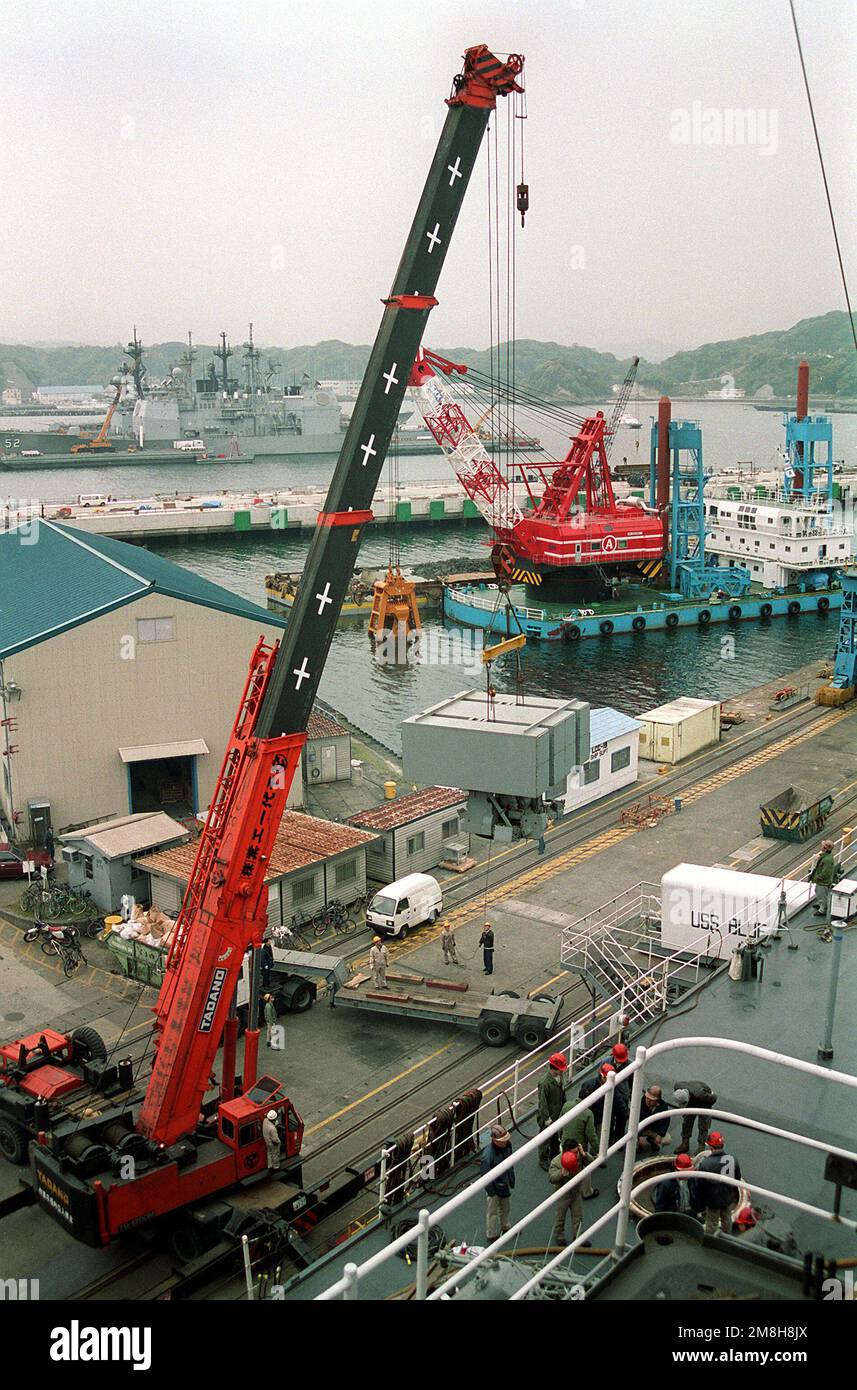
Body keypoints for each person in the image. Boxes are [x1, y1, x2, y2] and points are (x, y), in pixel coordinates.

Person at [690, 1131, 741, 1235]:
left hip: (712, 1200)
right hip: (727, 1197)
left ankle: (710, 1242)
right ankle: (728, 1238)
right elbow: (737, 1179)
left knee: (711, 1223)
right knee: (727, 1219)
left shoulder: (705, 1164)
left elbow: (700, 1185)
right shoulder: (732, 1159)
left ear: (710, 1146)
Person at [559, 1088, 601, 1200]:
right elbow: (591, 1135)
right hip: (578, 1147)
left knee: (565, 1164)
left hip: (565, 1143)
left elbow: (560, 1123)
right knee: (585, 1169)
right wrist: (598, 1150)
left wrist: (560, 1137)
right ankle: (587, 1192)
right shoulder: (588, 1113)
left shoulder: (566, 1105)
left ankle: (563, 1186)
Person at [481, 1124, 515, 1240]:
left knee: (506, 1207)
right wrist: (491, 1192)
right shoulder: (488, 1155)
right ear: (495, 1141)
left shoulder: (507, 1147)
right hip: (494, 1187)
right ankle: (491, 1234)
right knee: (492, 1212)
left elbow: (510, 1165)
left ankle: (505, 1226)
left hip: (504, 1184)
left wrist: (511, 1179)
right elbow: (485, 1176)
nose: (505, 1142)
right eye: (503, 1140)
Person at [548, 1142, 585, 1248]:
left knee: (578, 1216)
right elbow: (551, 1178)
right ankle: (559, 1237)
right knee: (560, 1217)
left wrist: (584, 1155)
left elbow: (592, 1163)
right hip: (563, 1194)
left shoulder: (579, 1155)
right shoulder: (556, 1161)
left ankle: (579, 1237)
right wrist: (561, 1173)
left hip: (576, 1191)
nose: (576, 1154)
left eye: (577, 1151)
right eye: (574, 1152)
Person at [537, 1053, 568, 1170]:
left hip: (558, 1113)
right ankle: (543, 1159)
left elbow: (562, 1093)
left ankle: (554, 1154)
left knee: (556, 1136)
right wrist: (546, 1119)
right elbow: (542, 1103)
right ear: (554, 1068)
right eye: (560, 1069)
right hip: (549, 1116)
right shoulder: (545, 1083)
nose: (562, 1071)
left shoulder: (559, 1077)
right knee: (545, 1138)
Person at [673, 1080, 717, 1154]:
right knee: (686, 1122)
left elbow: (714, 1098)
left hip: (704, 1103)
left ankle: (701, 1146)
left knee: (703, 1125)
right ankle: (685, 1144)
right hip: (691, 1101)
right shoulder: (677, 1086)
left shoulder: (702, 1095)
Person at [637, 1084, 670, 1153]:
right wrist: (639, 1136)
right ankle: (638, 1143)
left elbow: (666, 1121)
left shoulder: (663, 1107)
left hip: (653, 1129)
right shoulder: (640, 1104)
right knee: (634, 1147)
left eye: (651, 1100)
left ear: (657, 1100)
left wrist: (660, 1135)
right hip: (641, 1129)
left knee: (667, 1140)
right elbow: (635, 1122)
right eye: (647, 1098)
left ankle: (652, 1140)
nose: (648, 1101)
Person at [810, 839, 837, 919]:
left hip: (823, 882)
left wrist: (817, 877)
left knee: (822, 894)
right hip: (820, 881)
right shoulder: (826, 856)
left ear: (825, 848)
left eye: (823, 846)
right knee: (817, 891)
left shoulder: (827, 860)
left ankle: (823, 910)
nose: (821, 847)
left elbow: (826, 873)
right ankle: (820, 903)